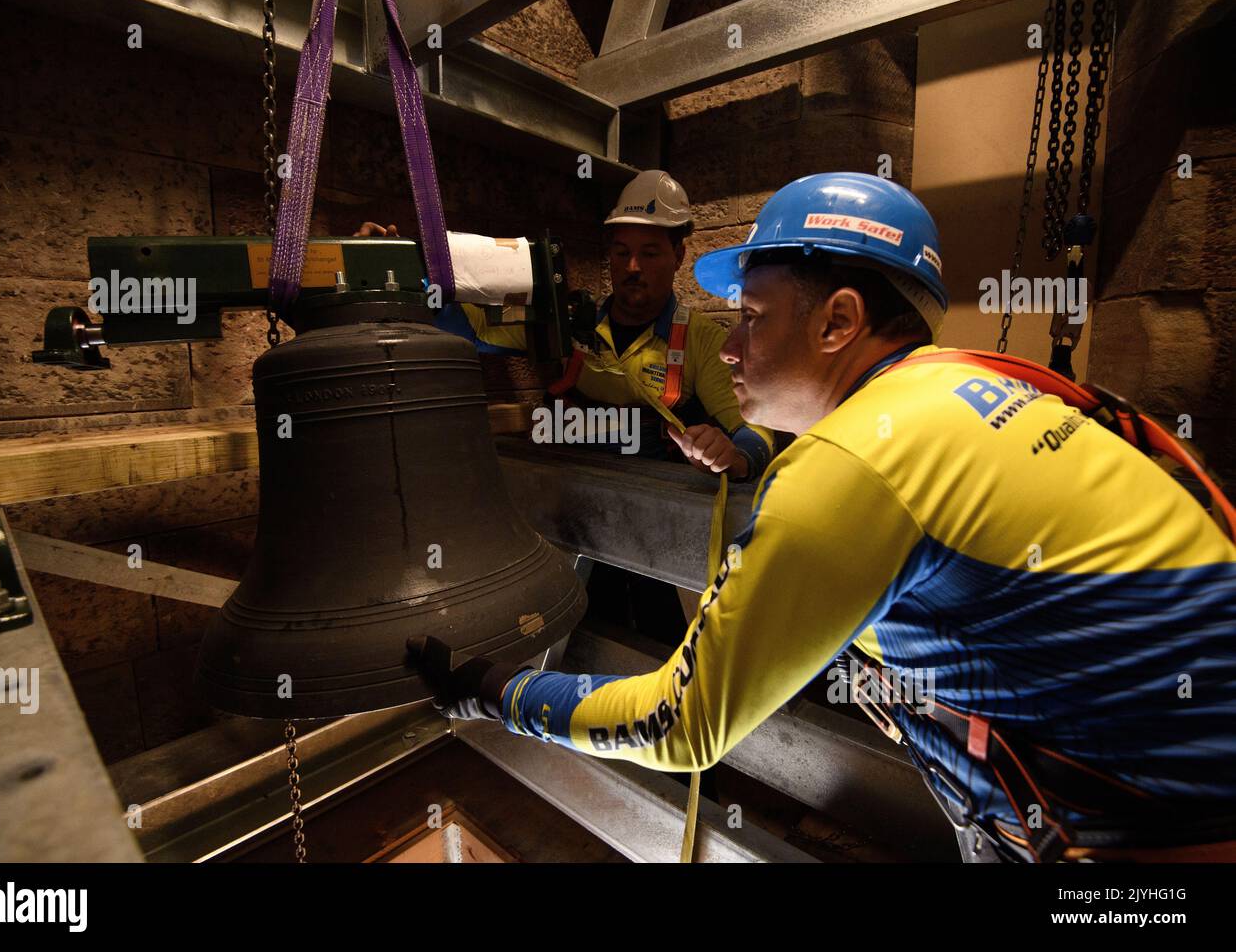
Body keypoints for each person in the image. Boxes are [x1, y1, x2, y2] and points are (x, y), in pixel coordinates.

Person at [409, 172, 1236, 862]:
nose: (729, 348)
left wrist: (492, 690)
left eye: (753, 317)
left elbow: (678, 726)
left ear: (838, 320)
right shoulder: (978, 383)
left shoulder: (853, 462)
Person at [422, 170, 774, 480]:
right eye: (622, 253)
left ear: (678, 256)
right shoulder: (569, 323)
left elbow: (757, 433)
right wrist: (407, 271)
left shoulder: (701, 342)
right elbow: (470, 329)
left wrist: (737, 458)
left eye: (649, 253)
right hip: (570, 500)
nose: (633, 266)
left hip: (656, 514)